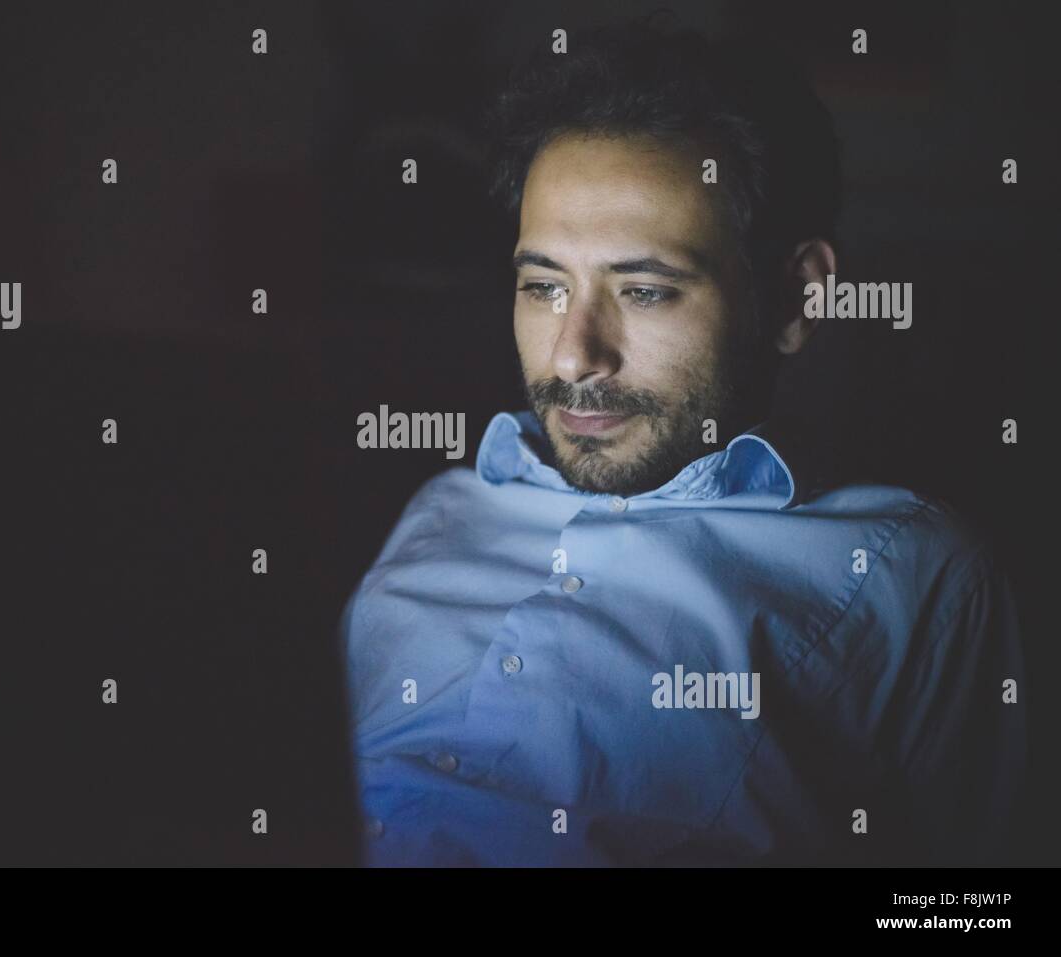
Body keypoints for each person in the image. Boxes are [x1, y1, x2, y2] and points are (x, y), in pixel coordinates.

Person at [338, 14, 1027, 866]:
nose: (575, 356)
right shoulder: (443, 508)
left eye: (647, 291)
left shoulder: (915, 577)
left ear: (795, 298)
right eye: (544, 286)